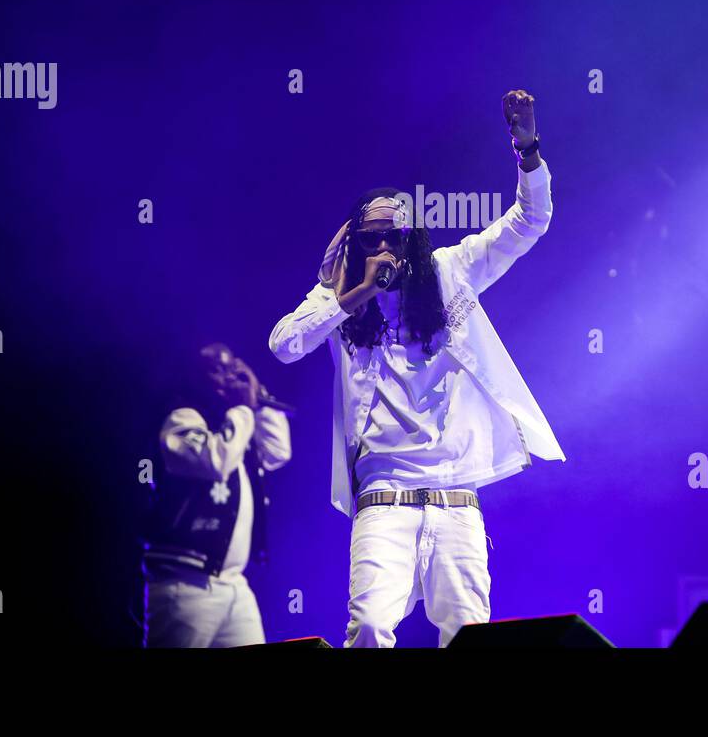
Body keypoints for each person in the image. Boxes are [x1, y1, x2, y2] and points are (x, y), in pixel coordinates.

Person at [268, 89, 565, 647]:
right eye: (372, 237)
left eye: (394, 235)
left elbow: (530, 221)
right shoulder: (338, 296)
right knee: (372, 628)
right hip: (385, 500)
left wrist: (527, 149)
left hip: (456, 499)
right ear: (358, 243)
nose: (385, 246)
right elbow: (283, 344)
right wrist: (349, 296)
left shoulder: (450, 273)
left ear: (412, 237)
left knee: (470, 636)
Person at [142, 344, 290, 647]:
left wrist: (257, 395)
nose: (230, 376)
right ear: (196, 377)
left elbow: (277, 451)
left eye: (233, 366)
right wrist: (244, 410)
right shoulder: (182, 419)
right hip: (185, 584)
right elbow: (215, 460)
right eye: (218, 369)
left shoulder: (235, 427)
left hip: (234, 583)